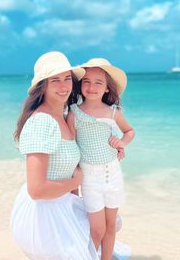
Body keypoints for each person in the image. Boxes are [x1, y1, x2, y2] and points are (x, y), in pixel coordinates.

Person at [10, 51, 99, 260]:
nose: (64, 86)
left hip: (62, 206)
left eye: (67, 78)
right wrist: (76, 180)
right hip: (43, 217)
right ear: (44, 86)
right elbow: (37, 190)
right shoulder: (42, 122)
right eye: (55, 80)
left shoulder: (65, 117)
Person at [67, 58, 135, 260]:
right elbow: (71, 149)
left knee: (110, 226)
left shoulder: (113, 112)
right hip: (89, 178)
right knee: (96, 230)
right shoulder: (73, 114)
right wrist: (73, 187)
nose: (92, 86)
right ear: (80, 86)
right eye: (86, 81)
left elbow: (130, 131)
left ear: (107, 88)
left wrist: (122, 143)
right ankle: (87, 256)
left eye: (99, 82)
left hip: (113, 174)